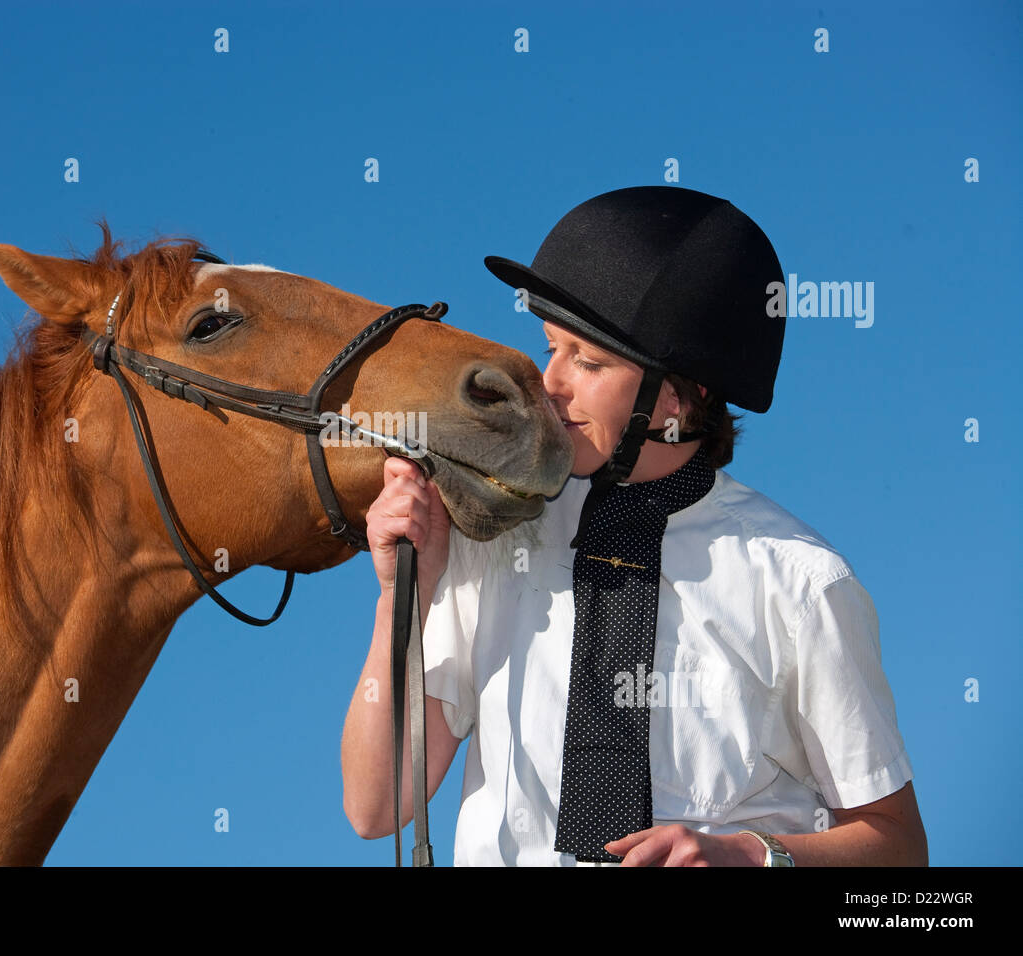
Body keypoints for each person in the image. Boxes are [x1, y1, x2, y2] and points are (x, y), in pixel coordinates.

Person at [340, 185, 927, 866]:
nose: (550, 383)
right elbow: (375, 805)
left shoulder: (800, 580)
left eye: (588, 362)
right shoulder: (499, 536)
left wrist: (750, 854)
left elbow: (899, 847)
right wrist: (400, 594)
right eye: (551, 347)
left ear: (684, 394)